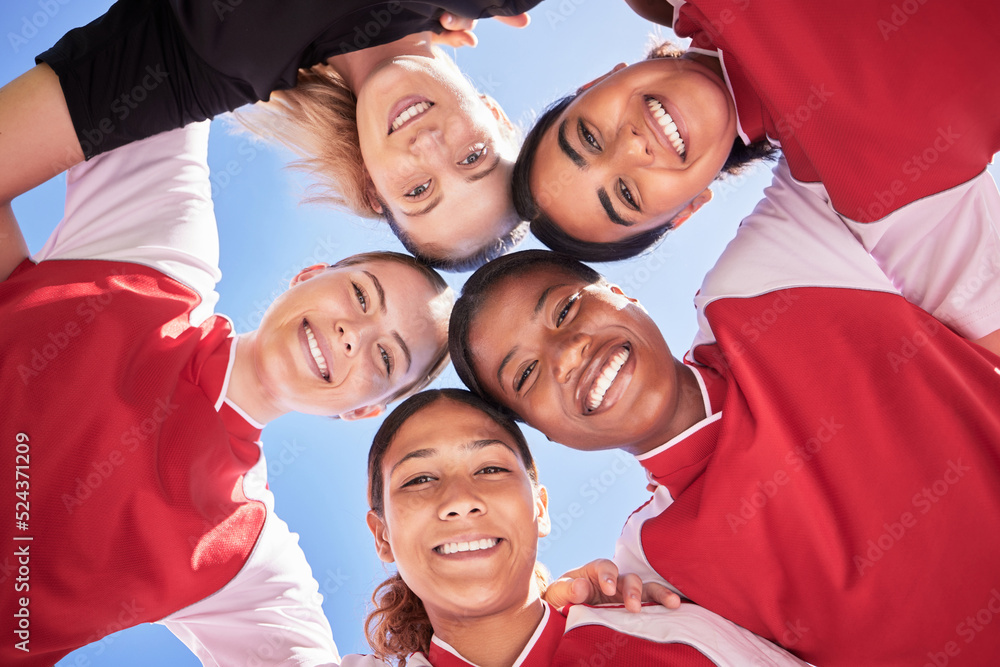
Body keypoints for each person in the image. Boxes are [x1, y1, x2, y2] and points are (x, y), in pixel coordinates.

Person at [0, 119, 453, 666]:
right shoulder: (158, 255)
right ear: (307, 274)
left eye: (386, 357)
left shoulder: (247, 560)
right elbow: (161, 64)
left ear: (363, 410)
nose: (352, 335)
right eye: (360, 296)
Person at [446, 223, 1000, 663]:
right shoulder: (650, 567)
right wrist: (592, 616)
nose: (566, 356)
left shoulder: (763, 280)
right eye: (525, 376)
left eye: (565, 310)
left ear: (618, 291)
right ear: (543, 430)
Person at [512, 0, 1000, 351]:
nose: (632, 146)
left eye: (591, 139)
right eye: (625, 193)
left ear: (594, 82)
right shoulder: (873, 194)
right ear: (687, 210)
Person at [1, 0, 536, 270]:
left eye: (418, 192)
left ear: (374, 188)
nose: (430, 149)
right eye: (474, 156)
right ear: (496, 115)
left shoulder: (204, 65)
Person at [357, 388, 809, 666]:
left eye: (491, 469)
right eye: (419, 479)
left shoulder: (679, 637)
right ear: (383, 536)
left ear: (541, 509)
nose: (459, 502)